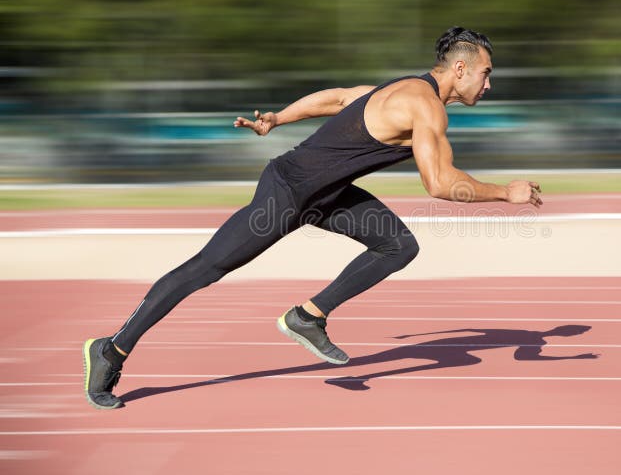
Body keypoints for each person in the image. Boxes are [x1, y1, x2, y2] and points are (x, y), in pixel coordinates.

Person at [83, 26, 543, 409]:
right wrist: (506, 193)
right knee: (205, 269)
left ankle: (309, 316)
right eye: (485, 73)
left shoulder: (403, 90)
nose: (488, 84)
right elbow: (440, 184)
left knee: (398, 245)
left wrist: (278, 118)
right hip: (288, 192)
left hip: (328, 195)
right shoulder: (424, 106)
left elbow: (339, 99)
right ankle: (112, 349)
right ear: (459, 68)